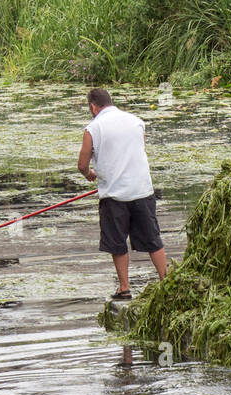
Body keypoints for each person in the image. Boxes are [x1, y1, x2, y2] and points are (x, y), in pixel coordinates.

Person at [77, 88, 167, 300]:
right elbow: (138, 149)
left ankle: (124, 287)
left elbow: (82, 164)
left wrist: (90, 174)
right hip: (142, 190)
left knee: (117, 242)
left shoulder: (93, 128)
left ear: (93, 107)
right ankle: (166, 280)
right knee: (153, 238)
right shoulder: (136, 121)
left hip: (114, 194)